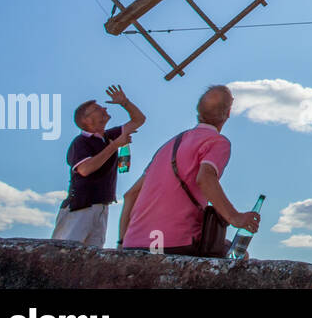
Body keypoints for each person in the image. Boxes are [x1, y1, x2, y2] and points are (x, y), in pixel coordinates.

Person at [118, 85, 259, 256]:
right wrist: (234, 217)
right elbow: (205, 177)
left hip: (133, 242)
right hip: (174, 241)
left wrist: (122, 243)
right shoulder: (217, 142)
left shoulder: (168, 146)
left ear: (198, 112)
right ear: (228, 113)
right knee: (239, 256)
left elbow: (130, 195)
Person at [51, 85, 145, 246]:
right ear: (86, 120)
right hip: (81, 207)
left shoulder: (108, 136)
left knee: (93, 254)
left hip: (101, 207)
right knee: (65, 250)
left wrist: (125, 103)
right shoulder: (81, 142)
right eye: (96, 108)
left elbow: (138, 120)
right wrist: (115, 145)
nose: (103, 108)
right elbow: (85, 169)